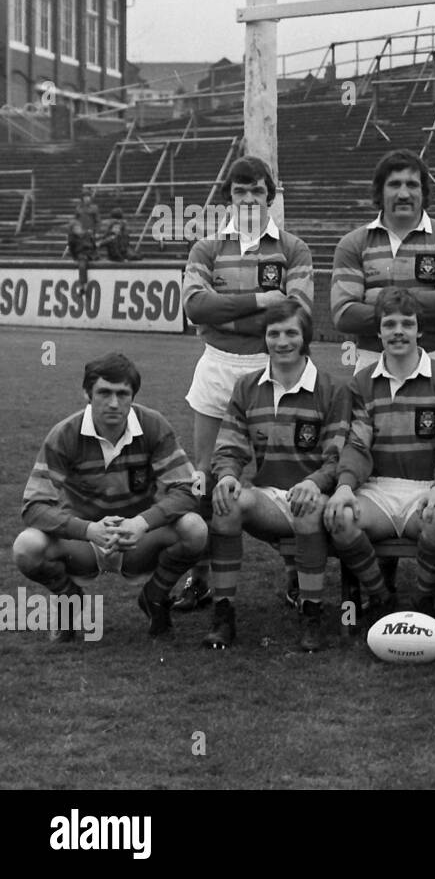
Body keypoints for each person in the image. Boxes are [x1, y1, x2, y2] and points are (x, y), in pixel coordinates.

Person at [176, 155, 313, 612]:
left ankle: (297, 572)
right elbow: (195, 308)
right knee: (207, 474)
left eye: (257, 190)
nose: (249, 198)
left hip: (270, 368)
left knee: (285, 473)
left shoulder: (293, 249)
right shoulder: (207, 248)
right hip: (216, 365)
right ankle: (200, 576)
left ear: (269, 196)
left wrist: (228, 310)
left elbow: (296, 314)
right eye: (240, 191)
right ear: (229, 197)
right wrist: (259, 301)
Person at [13, 353, 206, 640]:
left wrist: (141, 523)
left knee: (195, 529)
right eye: (104, 393)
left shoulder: (153, 426)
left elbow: (188, 490)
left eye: (122, 394)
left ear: (132, 396)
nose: (114, 403)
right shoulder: (64, 434)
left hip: (137, 540)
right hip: (82, 543)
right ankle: (69, 600)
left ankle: (154, 596)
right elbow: (34, 507)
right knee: (26, 547)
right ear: (87, 394)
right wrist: (89, 530)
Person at [206, 301, 350, 652]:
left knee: (308, 507)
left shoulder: (333, 389)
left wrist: (314, 482)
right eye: (274, 333)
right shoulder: (246, 387)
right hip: (269, 497)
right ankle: (223, 615)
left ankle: (311, 614)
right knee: (225, 503)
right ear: (264, 338)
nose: (282, 341)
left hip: (318, 497)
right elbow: (229, 447)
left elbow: (337, 459)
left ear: (305, 338)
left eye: (290, 333)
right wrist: (227, 476)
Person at [323, 288, 435, 620]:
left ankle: (424, 599)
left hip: (427, 487)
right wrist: (343, 486)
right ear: (378, 331)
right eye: (389, 324)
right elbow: (357, 444)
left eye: (407, 324)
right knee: (340, 517)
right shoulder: (362, 382)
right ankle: (381, 595)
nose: (398, 331)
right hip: (379, 489)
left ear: (420, 330)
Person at [331, 148, 435, 373]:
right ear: (380, 191)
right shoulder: (353, 243)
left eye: (412, 185)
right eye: (394, 184)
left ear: (423, 191)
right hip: (372, 360)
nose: (404, 194)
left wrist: (383, 299)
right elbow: (344, 315)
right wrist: (423, 305)